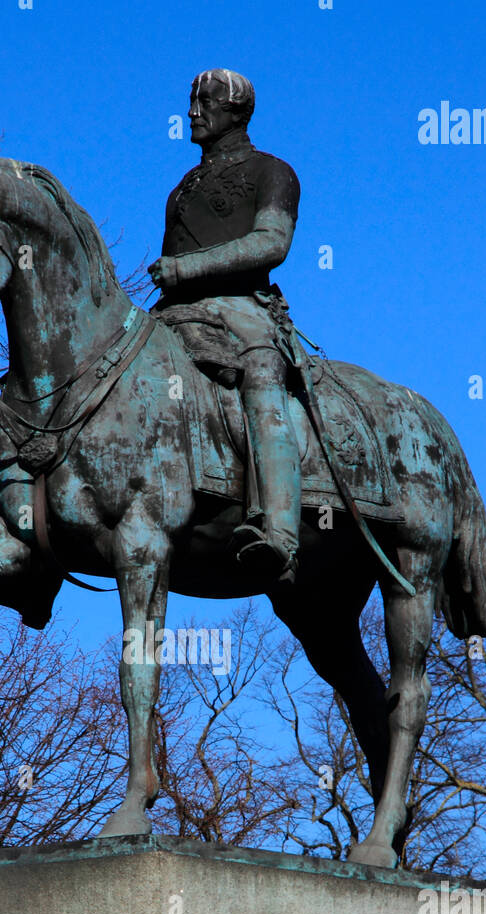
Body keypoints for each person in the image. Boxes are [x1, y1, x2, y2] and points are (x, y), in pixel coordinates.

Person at [148, 68, 303, 584]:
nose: (193, 111)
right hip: (173, 312)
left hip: (242, 309)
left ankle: (279, 534)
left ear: (237, 111)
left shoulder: (272, 172)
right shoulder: (180, 189)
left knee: (261, 372)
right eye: (191, 100)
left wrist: (185, 269)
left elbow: (270, 245)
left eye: (205, 101)